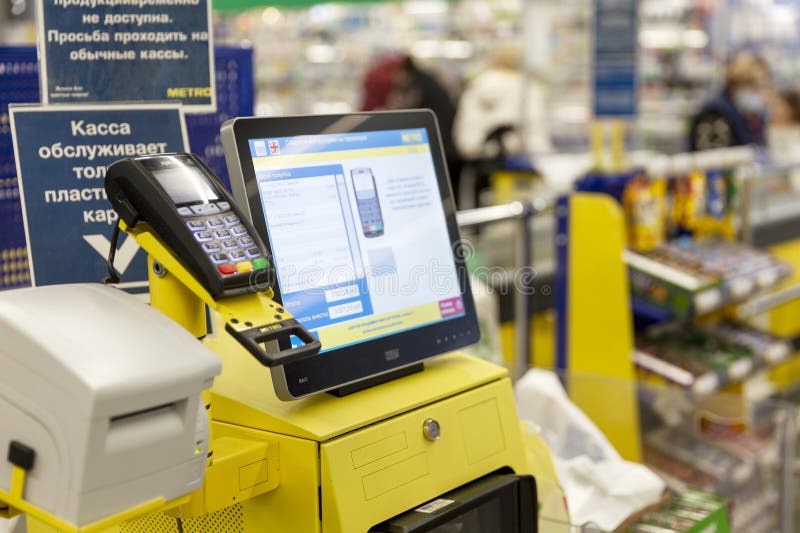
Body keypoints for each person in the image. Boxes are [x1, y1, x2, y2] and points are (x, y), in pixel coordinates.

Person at [453, 43, 552, 161]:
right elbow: (534, 130)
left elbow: (464, 128)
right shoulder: (528, 88)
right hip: (519, 160)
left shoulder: (478, 84)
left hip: (477, 157)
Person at [688, 51, 772, 151]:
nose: (762, 93)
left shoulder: (749, 115)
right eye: (755, 87)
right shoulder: (715, 115)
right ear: (737, 85)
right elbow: (713, 161)